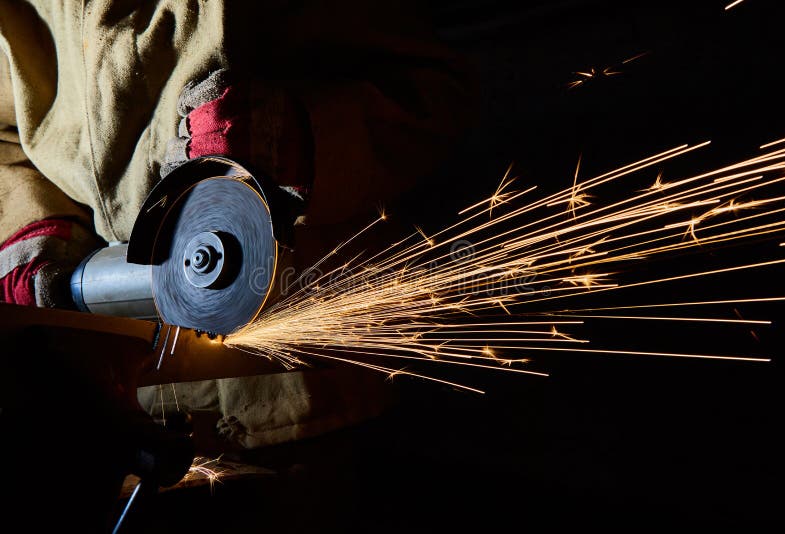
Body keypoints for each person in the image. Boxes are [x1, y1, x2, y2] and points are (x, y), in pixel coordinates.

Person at [0, 0, 475, 526]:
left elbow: (436, 93)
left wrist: (297, 137)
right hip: (118, 409)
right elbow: (5, 137)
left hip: (298, 400)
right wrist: (36, 235)